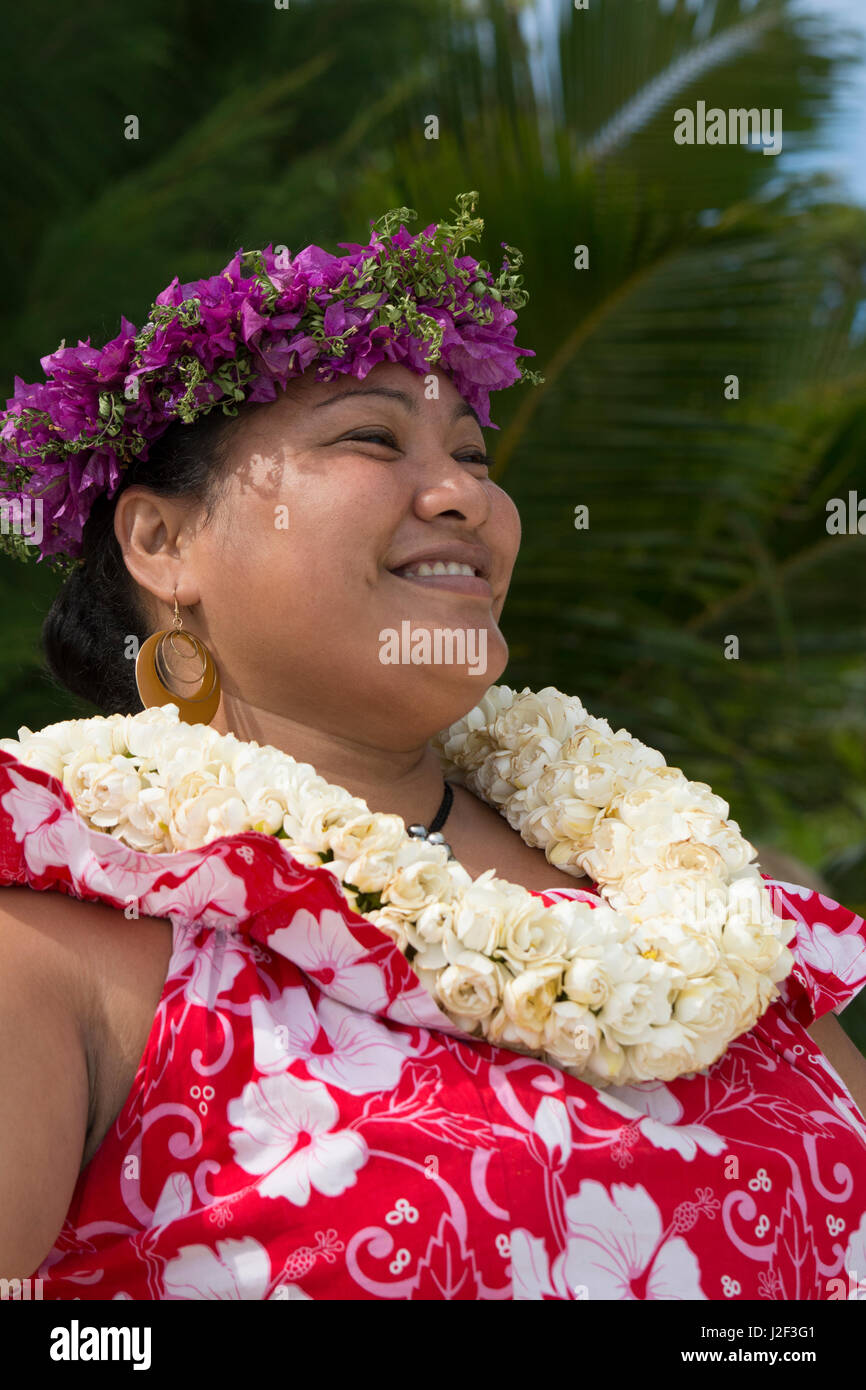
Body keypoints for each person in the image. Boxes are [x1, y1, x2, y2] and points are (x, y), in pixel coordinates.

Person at [0, 193, 864, 1302]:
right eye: (370, 436)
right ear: (163, 540)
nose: (466, 495)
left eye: (472, 450)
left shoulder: (712, 907)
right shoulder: (61, 931)